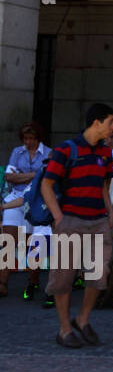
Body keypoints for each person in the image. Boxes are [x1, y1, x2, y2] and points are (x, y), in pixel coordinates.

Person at [42, 103, 113, 348]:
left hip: (98, 221)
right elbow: (46, 185)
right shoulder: (66, 150)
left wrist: (110, 209)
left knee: (98, 274)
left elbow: (103, 185)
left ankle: (82, 319)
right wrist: (58, 217)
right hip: (71, 220)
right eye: (110, 122)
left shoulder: (106, 153)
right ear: (97, 122)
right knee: (63, 277)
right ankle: (64, 330)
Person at [2, 122, 50, 298]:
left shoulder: (48, 153)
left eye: (31, 138)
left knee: (33, 243)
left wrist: (21, 177)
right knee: (8, 240)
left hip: (36, 201)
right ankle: (2, 282)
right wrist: (34, 175)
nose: (28, 142)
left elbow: (45, 178)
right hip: (16, 198)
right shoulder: (17, 152)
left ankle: (33, 281)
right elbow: (9, 177)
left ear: (38, 138)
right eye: (25, 139)